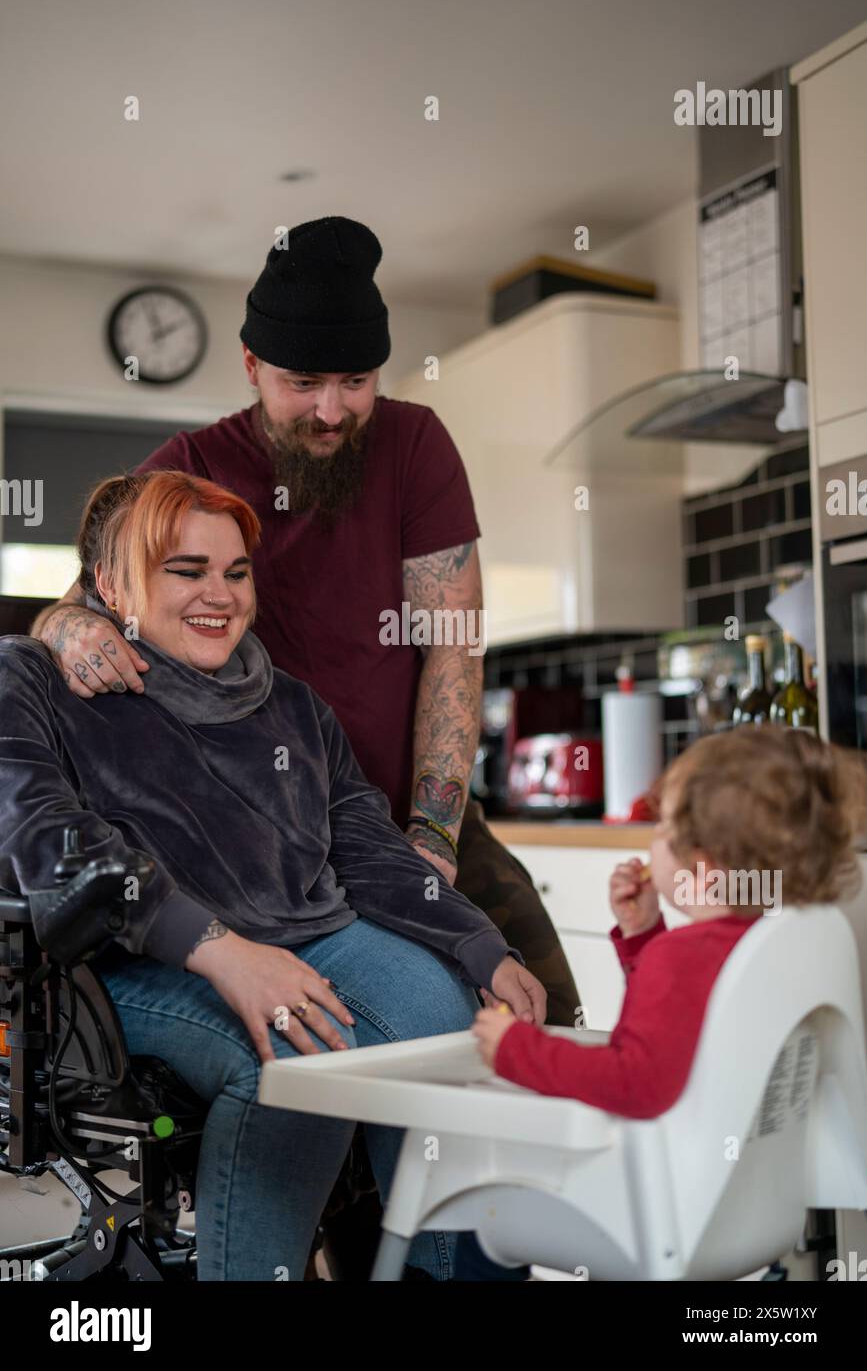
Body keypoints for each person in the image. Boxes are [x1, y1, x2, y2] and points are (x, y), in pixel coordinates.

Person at [28, 215, 580, 1034]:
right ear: (251, 366)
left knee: (547, 1017)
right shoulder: (191, 469)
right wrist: (71, 630)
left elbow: (453, 652)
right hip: (265, 836)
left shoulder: (416, 445)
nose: (332, 410)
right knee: (344, 1039)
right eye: (303, 383)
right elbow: (77, 607)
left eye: (356, 381)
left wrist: (431, 833)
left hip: (409, 814)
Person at [0, 469, 546, 1281]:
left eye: (235, 571)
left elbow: (362, 843)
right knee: (300, 1056)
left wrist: (478, 944)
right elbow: (44, 836)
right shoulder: (34, 676)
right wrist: (222, 949)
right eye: (185, 571)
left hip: (307, 934)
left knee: (448, 1018)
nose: (217, 595)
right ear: (110, 583)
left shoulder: (290, 705)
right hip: (123, 962)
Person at [456, 722, 867, 1279]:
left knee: (466, 1199)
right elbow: (687, 1028)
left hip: (659, 1212)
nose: (652, 838)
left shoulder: (684, 958)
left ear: (702, 863)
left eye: (665, 826)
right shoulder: (778, 948)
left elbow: (635, 1082)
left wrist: (516, 1049)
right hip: (753, 1215)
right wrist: (648, 934)